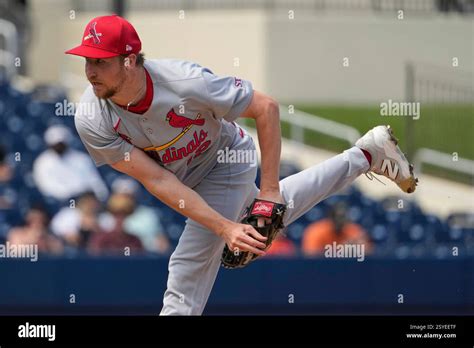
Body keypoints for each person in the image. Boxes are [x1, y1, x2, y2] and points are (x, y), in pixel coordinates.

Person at [65, 15, 418, 315]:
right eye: (87, 61)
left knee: (187, 266)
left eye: (101, 61)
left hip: (225, 160)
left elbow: (266, 108)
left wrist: (269, 189)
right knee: (258, 224)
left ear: (129, 60)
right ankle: (367, 155)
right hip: (185, 178)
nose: (90, 71)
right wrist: (229, 224)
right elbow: (155, 179)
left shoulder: (185, 82)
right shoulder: (91, 119)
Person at [33, 125, 109, 202]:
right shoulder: (42, 162)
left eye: (61, 144)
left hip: (84, 200)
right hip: (59, 202)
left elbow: (95, 182)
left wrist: (100, 197)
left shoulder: (82, 159)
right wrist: (71, 194)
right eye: (55, 144)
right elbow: (46, 187)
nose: (58, 147)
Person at [302, 202, 373, 256]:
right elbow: (311, 256)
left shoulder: (353, 230)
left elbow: (368, 253)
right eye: (338, 217)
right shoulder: (315, 231)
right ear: (330, 217)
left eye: (343, 217)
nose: (340, 221)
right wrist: (341, 250)